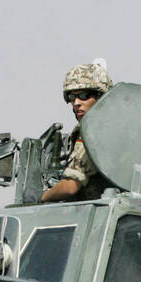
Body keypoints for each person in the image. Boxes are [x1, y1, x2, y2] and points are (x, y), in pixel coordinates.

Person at [40, 63, 113, 202]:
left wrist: (41, 196)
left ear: (102, 97)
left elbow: (70, 187)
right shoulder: (126, 129)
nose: (76, 103)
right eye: (71, 98)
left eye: (84, 95)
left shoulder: (93, 132)